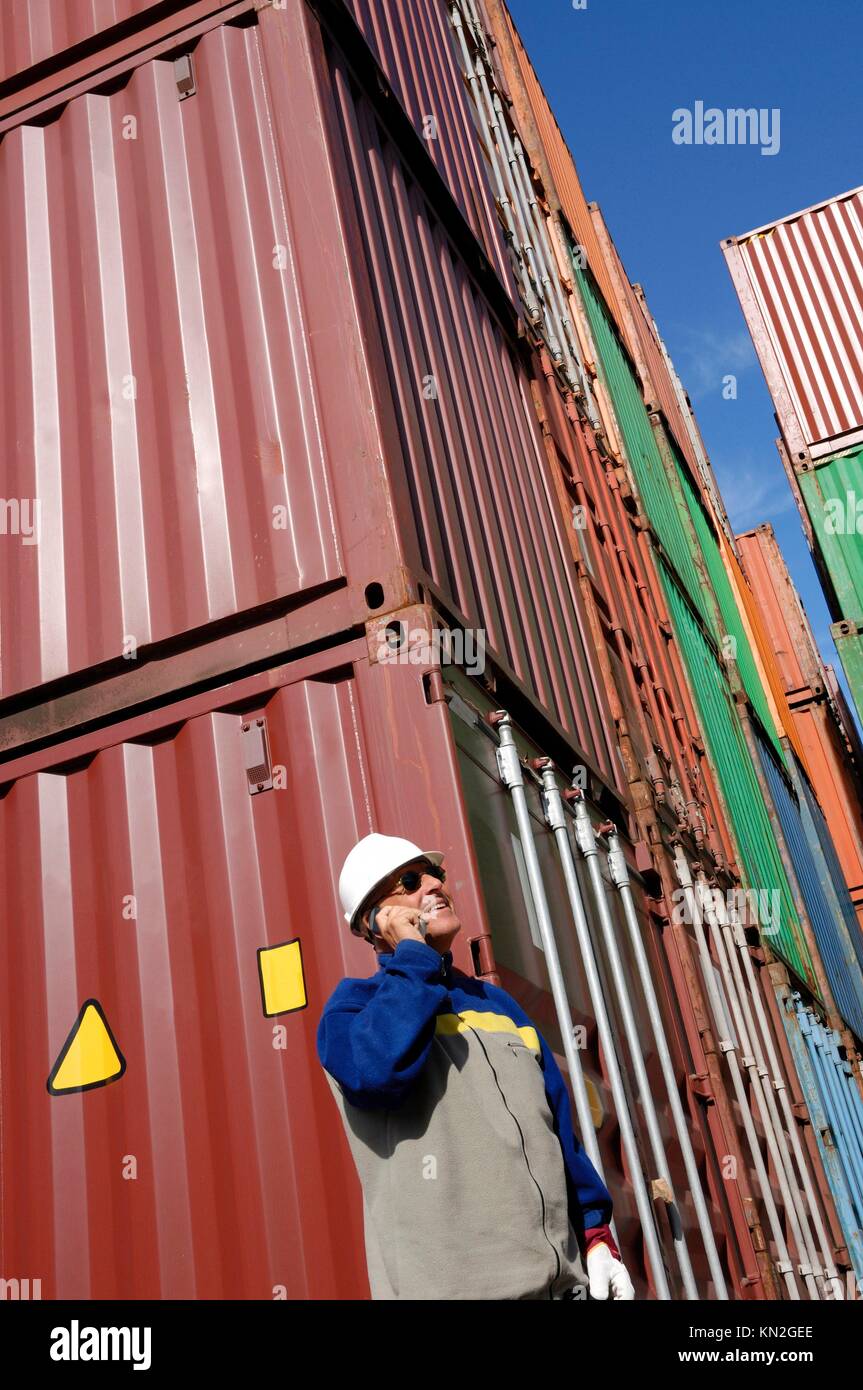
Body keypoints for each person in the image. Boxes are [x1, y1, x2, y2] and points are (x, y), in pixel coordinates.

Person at [317, 832, 636, 1302]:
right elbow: (378, 1072)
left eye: (435, 874)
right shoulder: (353, 1010)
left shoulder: (499, 1006)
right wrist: (413, 959)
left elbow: (558, 1131)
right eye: (411, 880)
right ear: (373, 921)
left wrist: (596, 1235)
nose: (434, 885)